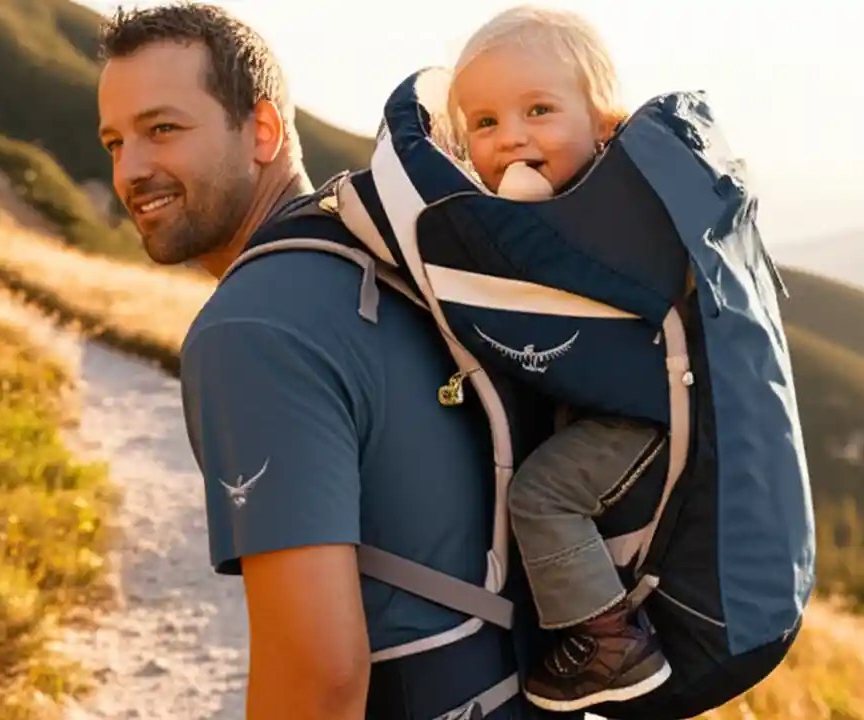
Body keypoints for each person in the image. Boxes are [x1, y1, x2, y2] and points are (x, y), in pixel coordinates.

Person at [95, 4, 559, 718]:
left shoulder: (249, 329)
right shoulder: (385, 260)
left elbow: (317, 681)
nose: (132, 170)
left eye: (163, 129)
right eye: (114, 142)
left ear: (263, 130)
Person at [442, 6, 674, 712]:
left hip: (647, 415)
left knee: (541, 496)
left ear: (604, 122)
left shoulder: (608, 204)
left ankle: (610, 646)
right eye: (484, 124)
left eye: (538, 110)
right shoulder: (567, 202)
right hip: (622, 401)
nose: (511, 137)